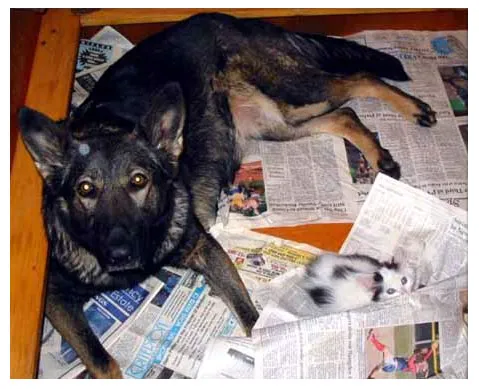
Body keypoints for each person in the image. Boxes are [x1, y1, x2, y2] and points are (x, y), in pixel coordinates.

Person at [367, 329, 439, 378]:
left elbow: (410, 362)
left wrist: (416, 353)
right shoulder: (419, 364)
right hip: (391, 366)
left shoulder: (414, 369)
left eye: (423, 365)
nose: (423, 361)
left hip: (392, 365)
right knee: (376, 369)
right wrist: (432, 349)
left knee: (385, 349)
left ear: (420, 367)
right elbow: (425, 358)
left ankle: (372, 339)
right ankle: (369, 378)